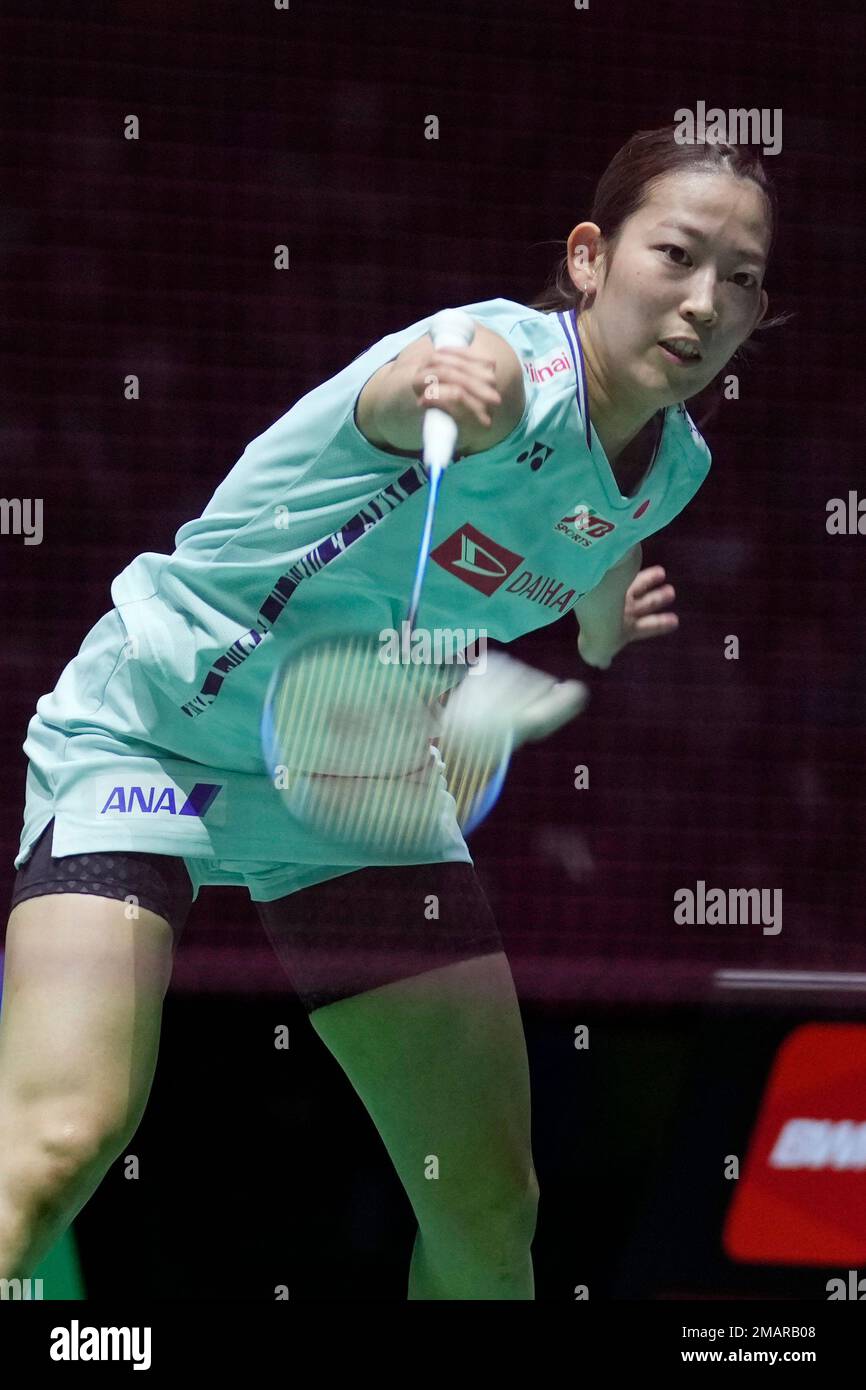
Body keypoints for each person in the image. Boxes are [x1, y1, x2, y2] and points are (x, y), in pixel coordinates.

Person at [0, 123, 784, 1299]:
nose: (704, 300)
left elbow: (601, 529)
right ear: (587, 258)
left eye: (740, 277)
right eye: (674, 255)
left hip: (351, 780)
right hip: (158, 731)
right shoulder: (496, 367)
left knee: (485, 1202)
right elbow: (425, 386)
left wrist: (601, 624)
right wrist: (431, 386)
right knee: (63, 1138)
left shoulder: (672, 461)